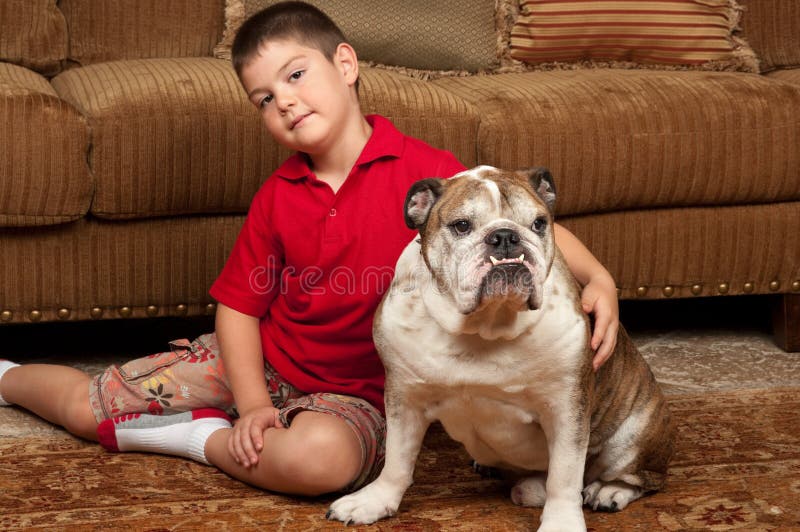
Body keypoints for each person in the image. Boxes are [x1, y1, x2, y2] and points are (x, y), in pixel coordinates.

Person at [0, 1, 618, 497]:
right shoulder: (277, 196)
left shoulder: (428, 174)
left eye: (296, 75)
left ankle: (192, 439)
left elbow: (516, 220)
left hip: (359, 396)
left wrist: (599, 278)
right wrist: (251, 405)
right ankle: (7, 378)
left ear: (345, 64)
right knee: (89, 409)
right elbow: (240, 308)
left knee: (319, 466)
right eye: (265, 99)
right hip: (265, 363)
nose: (285, 100)